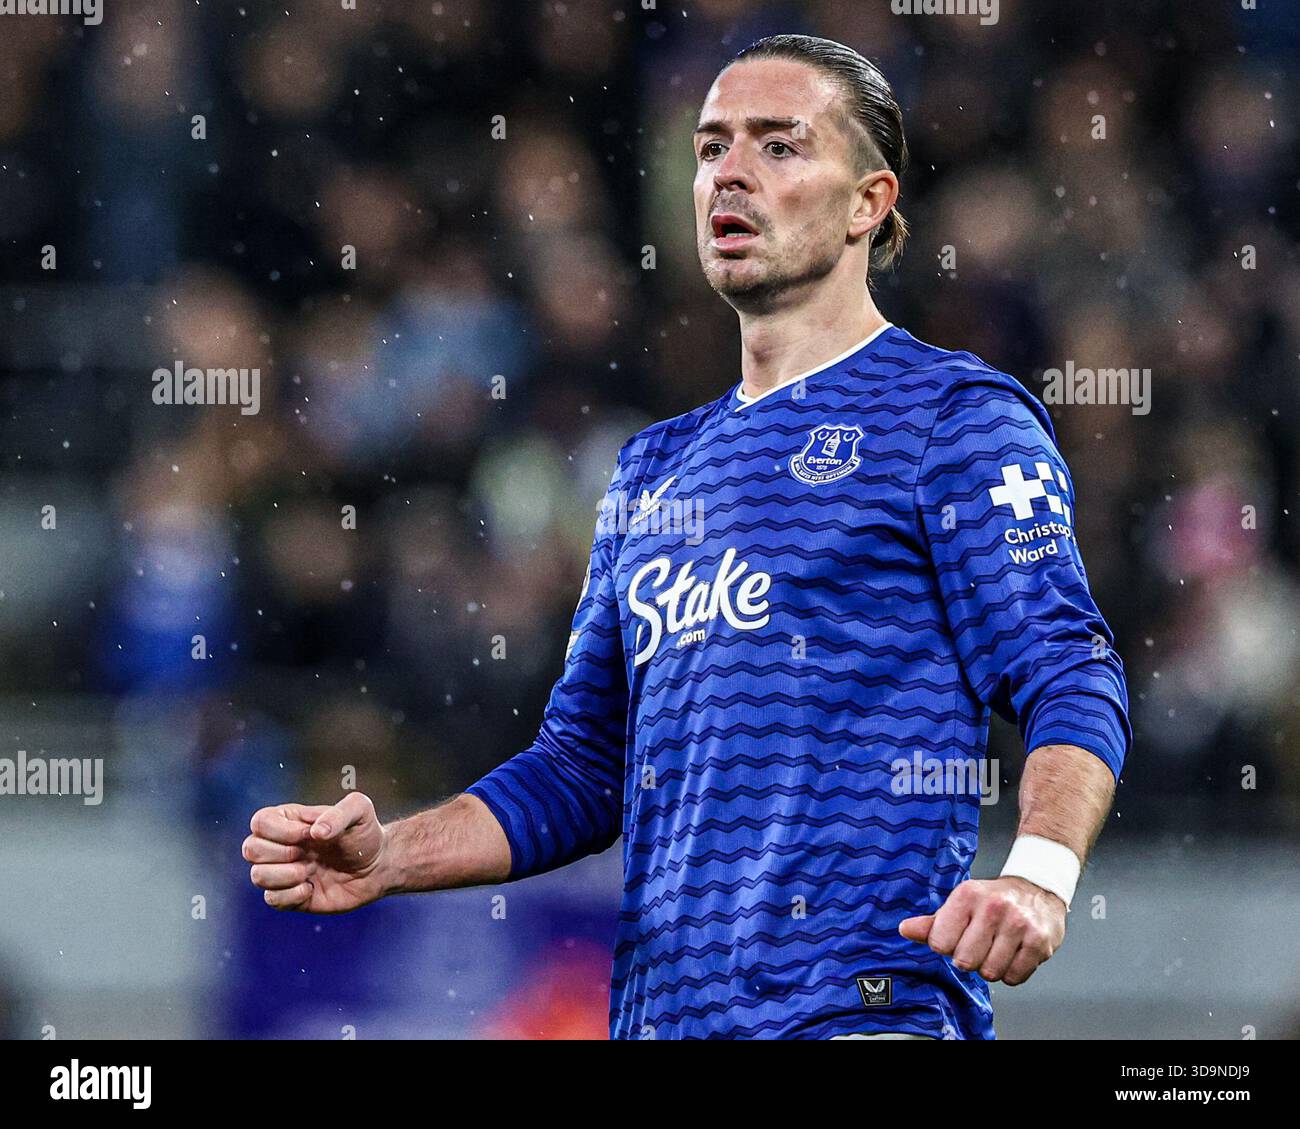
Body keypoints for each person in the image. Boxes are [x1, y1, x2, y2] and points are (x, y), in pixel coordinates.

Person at [243, 34, 1130, 1040]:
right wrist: (390, 856)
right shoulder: (649, 471)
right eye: (710, 148)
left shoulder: (952, 417)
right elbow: (581, 770)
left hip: (857, 1014)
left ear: (867, 204)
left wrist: (1038, 874)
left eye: (779, 145)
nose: (730, 173)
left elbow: (1069, 666)